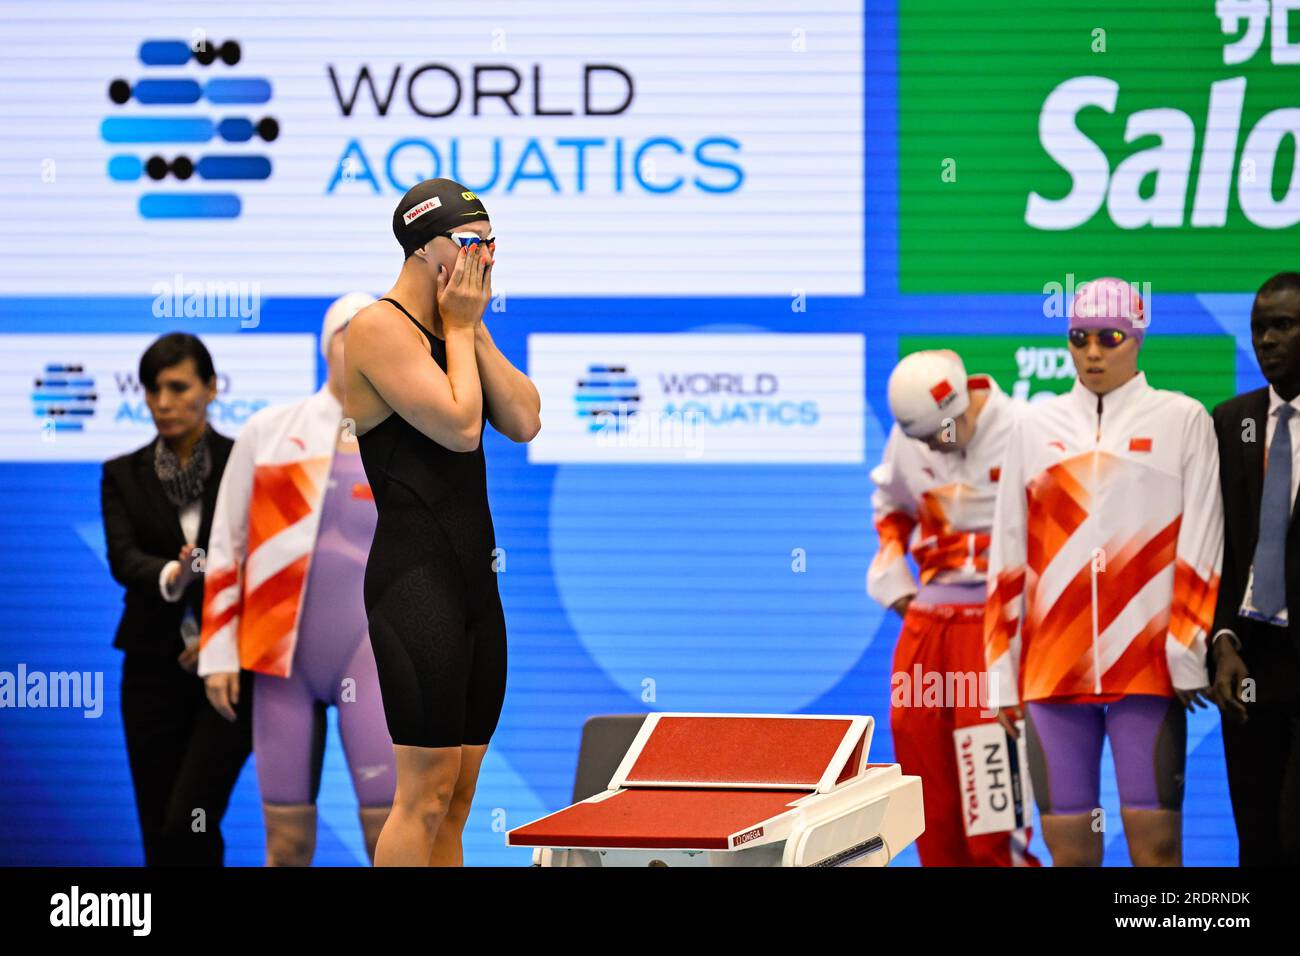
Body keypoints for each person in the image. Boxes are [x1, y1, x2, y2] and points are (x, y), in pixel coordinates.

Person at [985, 277, 1221, 866]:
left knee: (1158, 848)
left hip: (1147, 667)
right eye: (1079, 337)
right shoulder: (1033, 428)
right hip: (1051, 670)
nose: (1092, 352)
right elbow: (1007, 549)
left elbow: (1203, 540)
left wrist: (1186, 648)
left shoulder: (1182, 418)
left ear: (1137, 337)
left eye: (1110, 337)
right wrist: (999, 671)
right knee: (1070, 852)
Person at [342, 178, 541, 866]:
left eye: (491, 243)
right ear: (427, 250)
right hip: (414, 583)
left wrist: (471, 328)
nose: (485, 257)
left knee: (458, 795)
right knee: (422, 795)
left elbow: (524, 419)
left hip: (474, 587)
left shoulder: (460, 329)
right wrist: (459, 328)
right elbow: (460, 427)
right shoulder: (375, 328)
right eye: (470, 243)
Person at [198, 293, 396, 865]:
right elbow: (227, 543)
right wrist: (216, 654)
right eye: (347, 334)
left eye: (372, 334)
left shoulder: (410, 437)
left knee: (387, 833)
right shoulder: (269, 430)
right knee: (286, 842)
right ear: (326, 346)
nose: (360, 347)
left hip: (372, 652)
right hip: (282, 658)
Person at [870, 350, 1040, 866]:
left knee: (992, 826)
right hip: (926, 630)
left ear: (961, 404)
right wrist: (898, 587)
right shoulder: (910, 436)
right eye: (922, 442)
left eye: (939, 435)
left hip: (995, 636)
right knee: (931, 812)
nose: (933, 450)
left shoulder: (1026, 430)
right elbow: (891, 508)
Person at [100, 333, 253, 865]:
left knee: (191, 820)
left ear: (211, 388)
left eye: (177, 386)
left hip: (229, 674)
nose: (161, 402)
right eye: (151, 389)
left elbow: (265, 567)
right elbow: (124, 559)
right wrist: (175, 572)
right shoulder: (121, 473)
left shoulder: (245, 462)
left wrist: (217, 639)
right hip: (151, 669)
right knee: (160, 829)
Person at [1209, 271, 1300, 866]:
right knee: (1258, 842)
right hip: (1248, 665)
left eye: (1283, 326)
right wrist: (1220, 641)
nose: (1266, 340)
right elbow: (1215, 547)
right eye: (1258, 328)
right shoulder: (1229, 422)